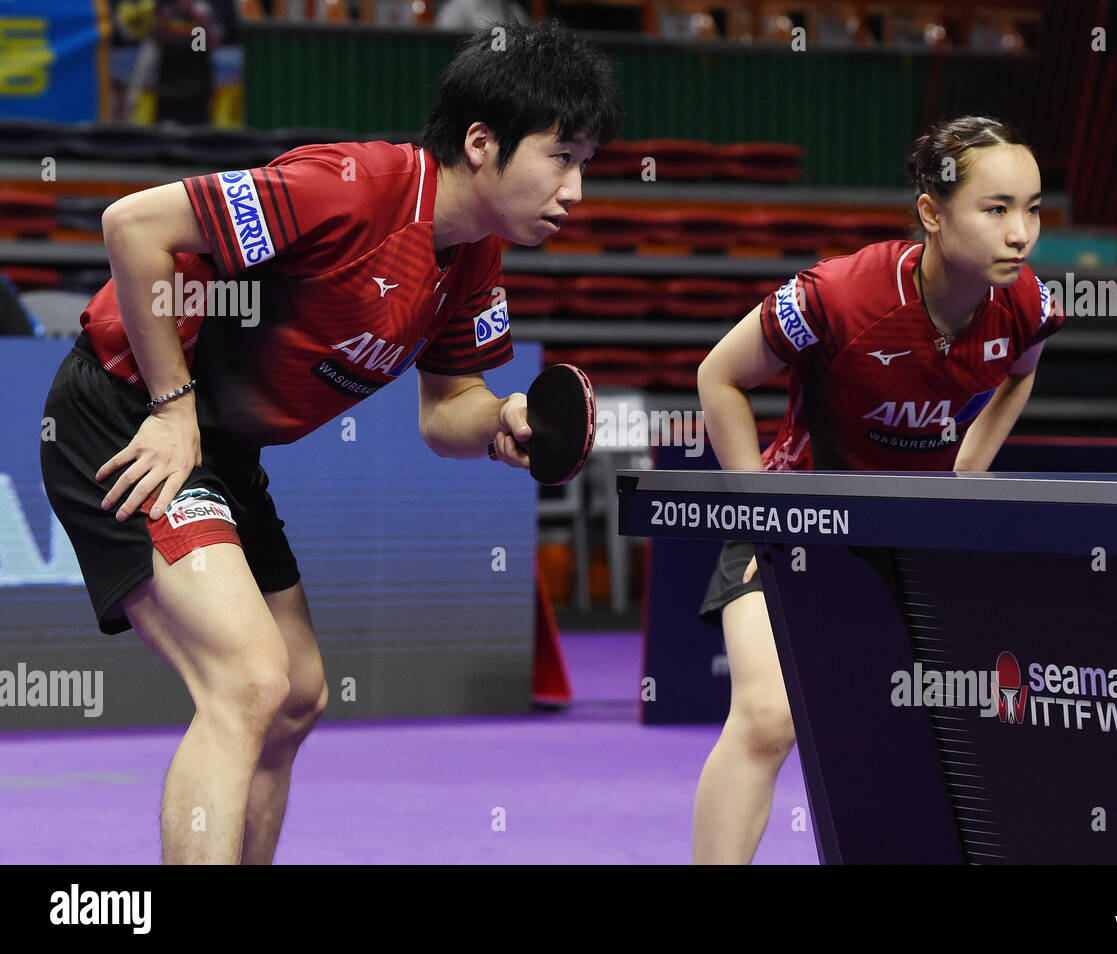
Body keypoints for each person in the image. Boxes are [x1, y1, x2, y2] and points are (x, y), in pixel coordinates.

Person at [39, 20, 622, 864]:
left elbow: (445, 408)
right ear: (482, 143)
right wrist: (172, 406)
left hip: (221, 449)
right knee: (246, 680)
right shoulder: (348, 188)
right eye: (563, 157)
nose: (576, 190)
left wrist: (499, 423)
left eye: (587, 164)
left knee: (297, 695)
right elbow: (132, 226)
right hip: (127, 412)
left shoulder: (473, 257)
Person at [692, 116, 1064, 864]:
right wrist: (756, 507)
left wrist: (967, 472)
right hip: (791, 524)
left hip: (909, 537)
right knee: (768, 715)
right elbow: (719, 376)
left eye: (1032, 208)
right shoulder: (837, 295)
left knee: (941, 726)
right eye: (996, 209)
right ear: (933, 212)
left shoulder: (1029, 305)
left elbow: (1020, 376)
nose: (1021, 233)